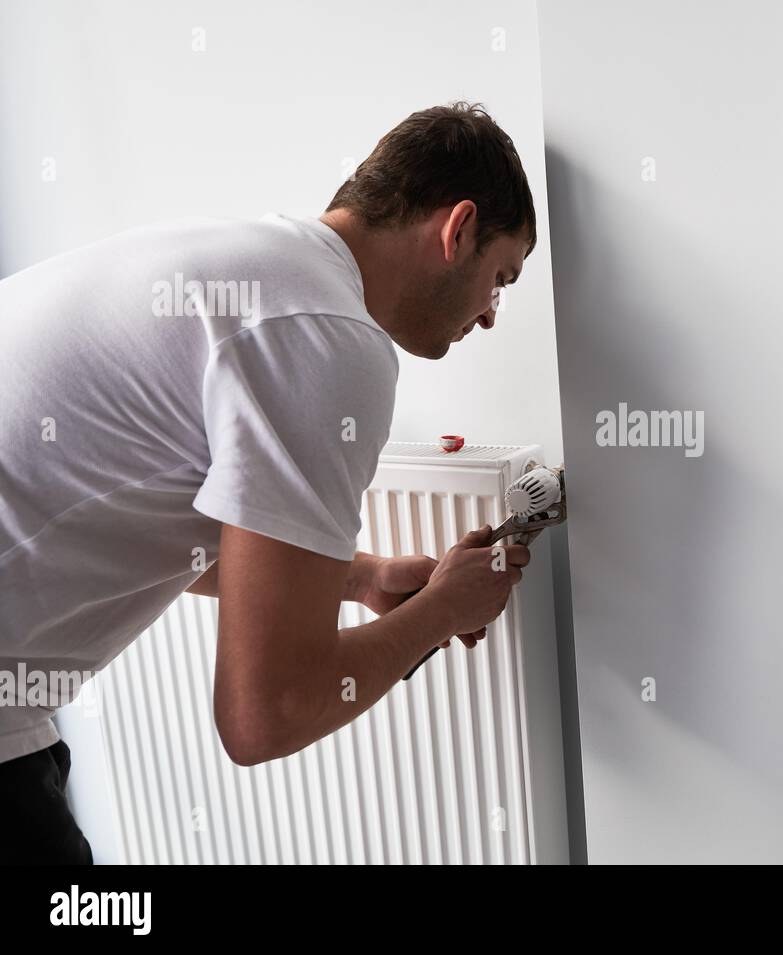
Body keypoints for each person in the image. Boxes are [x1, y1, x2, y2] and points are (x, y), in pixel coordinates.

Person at [0, 101, 535, 863]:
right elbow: (264, 716)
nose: (489, 315)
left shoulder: (254, 266)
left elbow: (139, 512)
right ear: (457, 230)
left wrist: (363, 577)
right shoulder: (327, 336)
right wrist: (443, 610)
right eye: (501, 277)